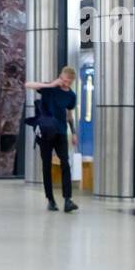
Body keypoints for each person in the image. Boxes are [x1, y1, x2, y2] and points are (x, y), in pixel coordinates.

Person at [26, 66, 79, 213]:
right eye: (64, 80)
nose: (65, 83)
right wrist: (50, 85)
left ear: (72, 81)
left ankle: (68, 199)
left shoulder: (71, 96)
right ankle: (50, 199)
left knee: (65, 163)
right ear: (60, 77)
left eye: (69, 81)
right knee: (46, 165)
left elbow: (69, 114)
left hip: (61, 132)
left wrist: (73, 132)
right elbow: (28, 84)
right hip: (45, 132)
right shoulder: (49, 88)